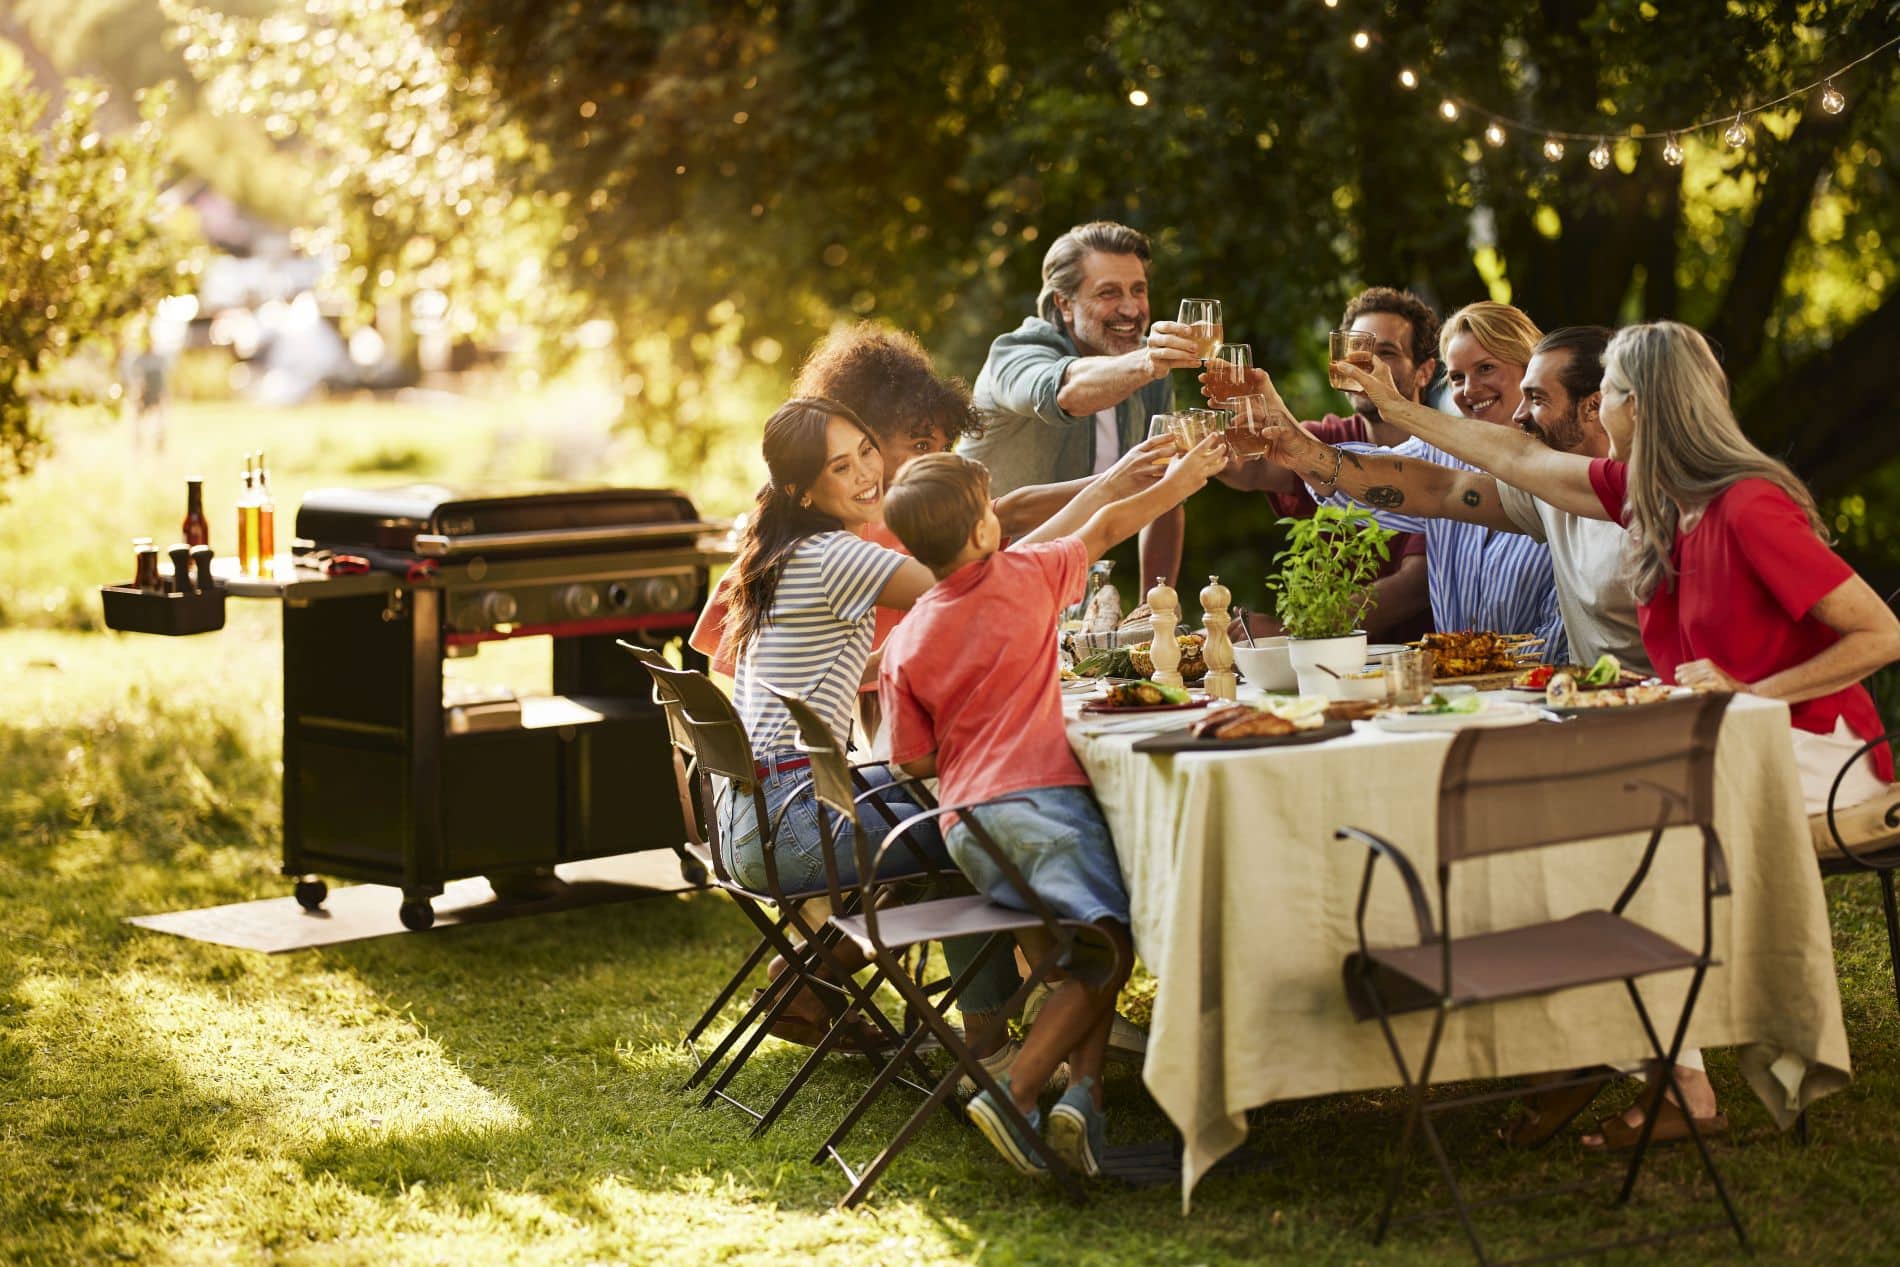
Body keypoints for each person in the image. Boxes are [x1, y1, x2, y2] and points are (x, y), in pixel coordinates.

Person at [1336, 320, 1900, 1147]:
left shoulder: (1747, 504)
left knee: (1619, 820)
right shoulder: (1645, 497)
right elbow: (1518, 461)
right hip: (1725, 742)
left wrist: (1748, 695)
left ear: (1643, 405)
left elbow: (1880, 633)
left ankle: (1659, 1073)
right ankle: (1616, 1054)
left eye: (1618, 397)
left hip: (1819, 755)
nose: (1608, 409)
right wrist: (1395, 407)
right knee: (1584, 809)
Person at [878, 434, 1229, 1177]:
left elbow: (908, 758)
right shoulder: (1025, 575)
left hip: (968, 827)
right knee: (1111, 950)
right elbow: (1107, 525)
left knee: (1080, 954)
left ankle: (1084, 1103)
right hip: (1042, 809)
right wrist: (1187, 475)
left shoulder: (906, 638)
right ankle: (1016, 1087)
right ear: (983, 530)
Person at [1256, 325, 1647, 671]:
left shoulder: (1655, 490)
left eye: (1538, 399)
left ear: (1595, 405)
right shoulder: (1545, 496)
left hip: (1659, 711)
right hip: (1578, 707)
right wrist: (1309, 455)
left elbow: (1514, 455)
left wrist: (1398, 409)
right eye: (1457, 375)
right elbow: (1440, 490)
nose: (1521, 416)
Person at [1236, 300, 1568, 661]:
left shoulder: (1561, 466)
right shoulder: (1440, 455)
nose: (1470, 389)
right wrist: (1289, 435)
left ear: (1529, 371)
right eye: (1457, 377)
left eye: (1486, 368)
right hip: (1461, 695)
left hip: (1545, 692)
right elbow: (1364, 479)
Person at [961, 220, 1202, 588]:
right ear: (1064, 304)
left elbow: (1165, 490)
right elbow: (1064, 392)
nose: (1130, 309)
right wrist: (1148, 362)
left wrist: (1155, 609)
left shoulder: (1148, 370)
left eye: (1138, 290)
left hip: (1059, 586)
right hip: (969, 580)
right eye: (1108, 293)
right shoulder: (1015, 354)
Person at [1210, 287, 1437, 640]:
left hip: (1416, 660)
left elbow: (1414, 587)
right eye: (1355, 353)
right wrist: (1201, 444)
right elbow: (1250, 468)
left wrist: (1293, 629)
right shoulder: (1329, 438)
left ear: (1424, 372)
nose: (1363, 365)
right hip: (1327, 661)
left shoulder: (1441, 452)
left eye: (1386, 353)